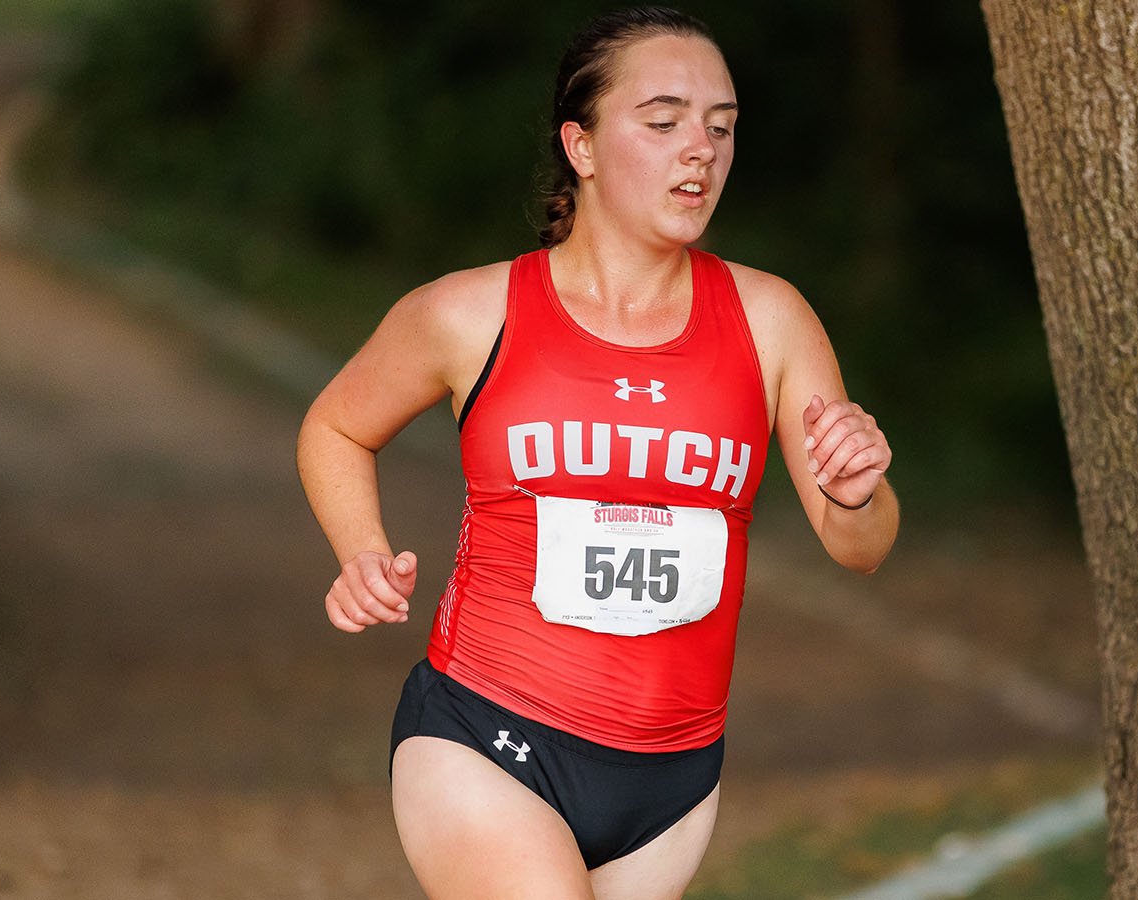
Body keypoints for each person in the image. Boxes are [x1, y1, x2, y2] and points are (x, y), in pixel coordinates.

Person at [296, 7, 898, 898]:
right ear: (580, 146)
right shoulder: (472, 313)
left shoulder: (771, 319)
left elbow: (863, 548)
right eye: (663, 123)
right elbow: (337, 426)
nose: (700, 148)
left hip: (671, 780)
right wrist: (363, 550)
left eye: (721, 127)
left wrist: (854, 491)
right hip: (486, 732)